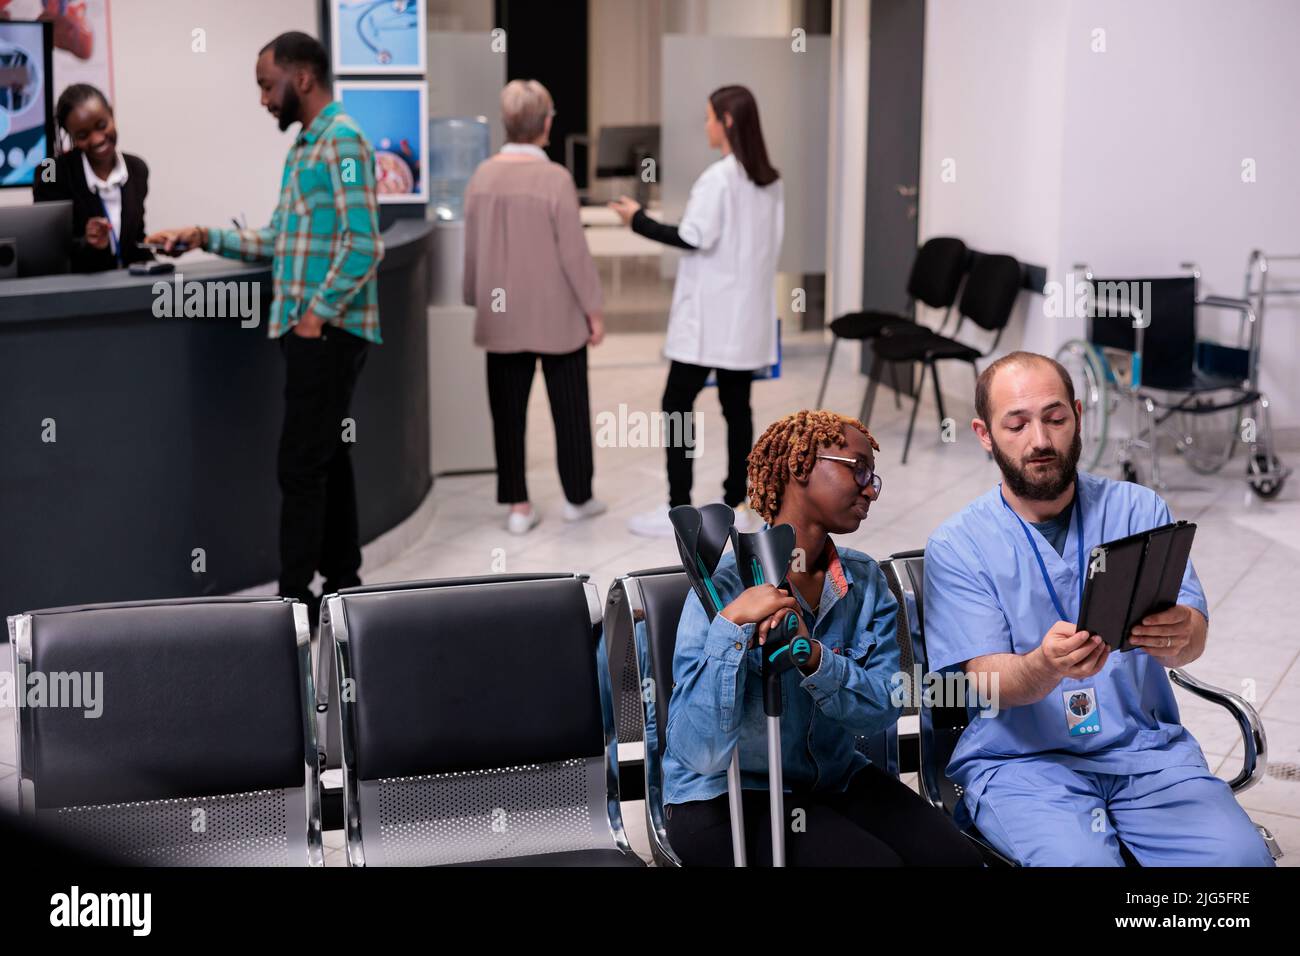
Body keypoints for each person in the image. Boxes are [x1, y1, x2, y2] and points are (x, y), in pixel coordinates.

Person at [924, 350, 1274, 867]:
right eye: (1016, 424)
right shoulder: (959, 545)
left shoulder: (1139, 510)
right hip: (1025, 764)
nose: (1040, 440)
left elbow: (1193, 637)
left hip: (1146, 756)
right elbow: (986, 679)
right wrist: (1043, 666)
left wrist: (1181, 635)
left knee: (1240, 867)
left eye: (1055, 418)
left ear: (1079, 417)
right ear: (983, 434)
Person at [662, 409, 983, 866]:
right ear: (800, 466)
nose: (871, 488)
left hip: (832, 778)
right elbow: (700, 752)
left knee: (957, 861)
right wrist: (731, 627)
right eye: (860, 469)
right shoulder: (725, 587)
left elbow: (882, 709)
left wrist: (814, 658)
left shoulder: (864, 580)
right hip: (724, 796)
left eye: (875, 477)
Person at [146, 31, 383, 630]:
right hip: (312, 333)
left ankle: (294, 602)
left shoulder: (345, 141)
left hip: (327, 334)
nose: (261, 99)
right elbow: (279, 239)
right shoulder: (306, 148)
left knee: (299, 466)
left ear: (302, 77)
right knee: (327, 458)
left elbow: (365, 245)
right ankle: (344, 585)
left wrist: (314, 315)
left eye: (265, 84)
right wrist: (204, 234)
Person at [613, 85, 783, 539]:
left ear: (726, 121)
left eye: (709, 117)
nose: (705, 126)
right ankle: (739, 504)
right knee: (737, 407)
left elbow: (692, 236)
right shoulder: (768, 180)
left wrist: (636, 220)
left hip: (710, 320)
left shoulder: (720, 178)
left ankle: (679, 511)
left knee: (676, 405)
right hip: (743, 317)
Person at [462, 79, 607, 535]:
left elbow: (471, 252)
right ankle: (577, 499)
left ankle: (518, 506)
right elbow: (574, 255)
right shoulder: (555, 179)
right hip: (556, 315)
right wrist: (593, 310)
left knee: (507, 411)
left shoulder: (481, 176)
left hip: (500, 316)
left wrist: (474, 297)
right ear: (545, 123)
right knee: (570, 407)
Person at [33, 84, 153, 273]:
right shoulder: (51, 171)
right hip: (78, 291)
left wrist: (155, 247)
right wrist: (87, 243)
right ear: (70, 135)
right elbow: (51, 251)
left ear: (111, 114)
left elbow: (135, 241)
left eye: (102, 125)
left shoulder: (137, 169)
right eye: (82, 135)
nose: (97, 139)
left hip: (128, 287)